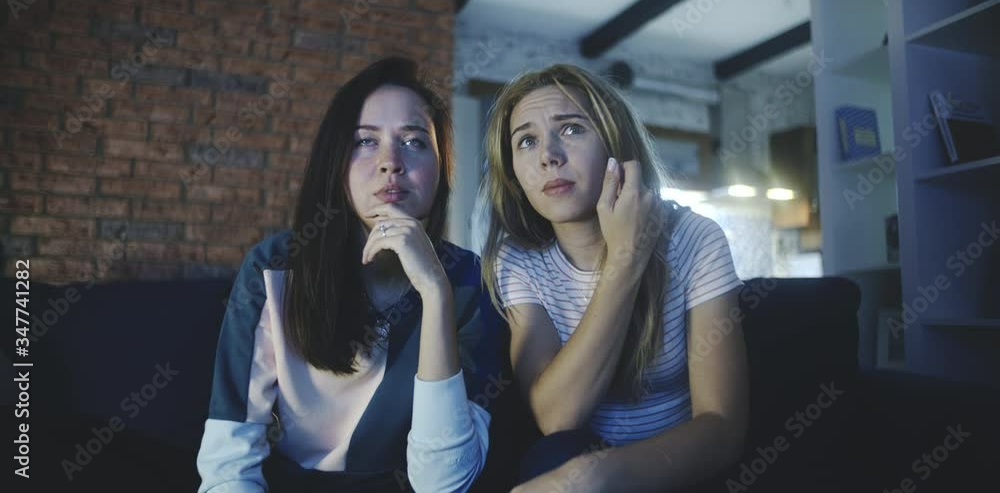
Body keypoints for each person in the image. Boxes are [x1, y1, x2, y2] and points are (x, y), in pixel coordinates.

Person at [195, 57, 506, 493]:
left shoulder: (472, 282)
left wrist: (435, 291)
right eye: (365, 141)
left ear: (441, 169)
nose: (391, 162)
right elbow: (229, 467)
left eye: (414, 141)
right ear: (336, 162)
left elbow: (444, 483)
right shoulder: (274, 267)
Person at [479, 64, 750, 492]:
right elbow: (557, 418)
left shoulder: (695, 238)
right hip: (573, 460)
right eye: (527, 141)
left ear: (615, 144)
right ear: (514, 174)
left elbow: (722, 429)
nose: (548, 155)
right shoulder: (517, 261)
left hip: (676, 473)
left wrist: (599, 475)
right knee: (555, 454)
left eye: (571, 129)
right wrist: (625, 261)